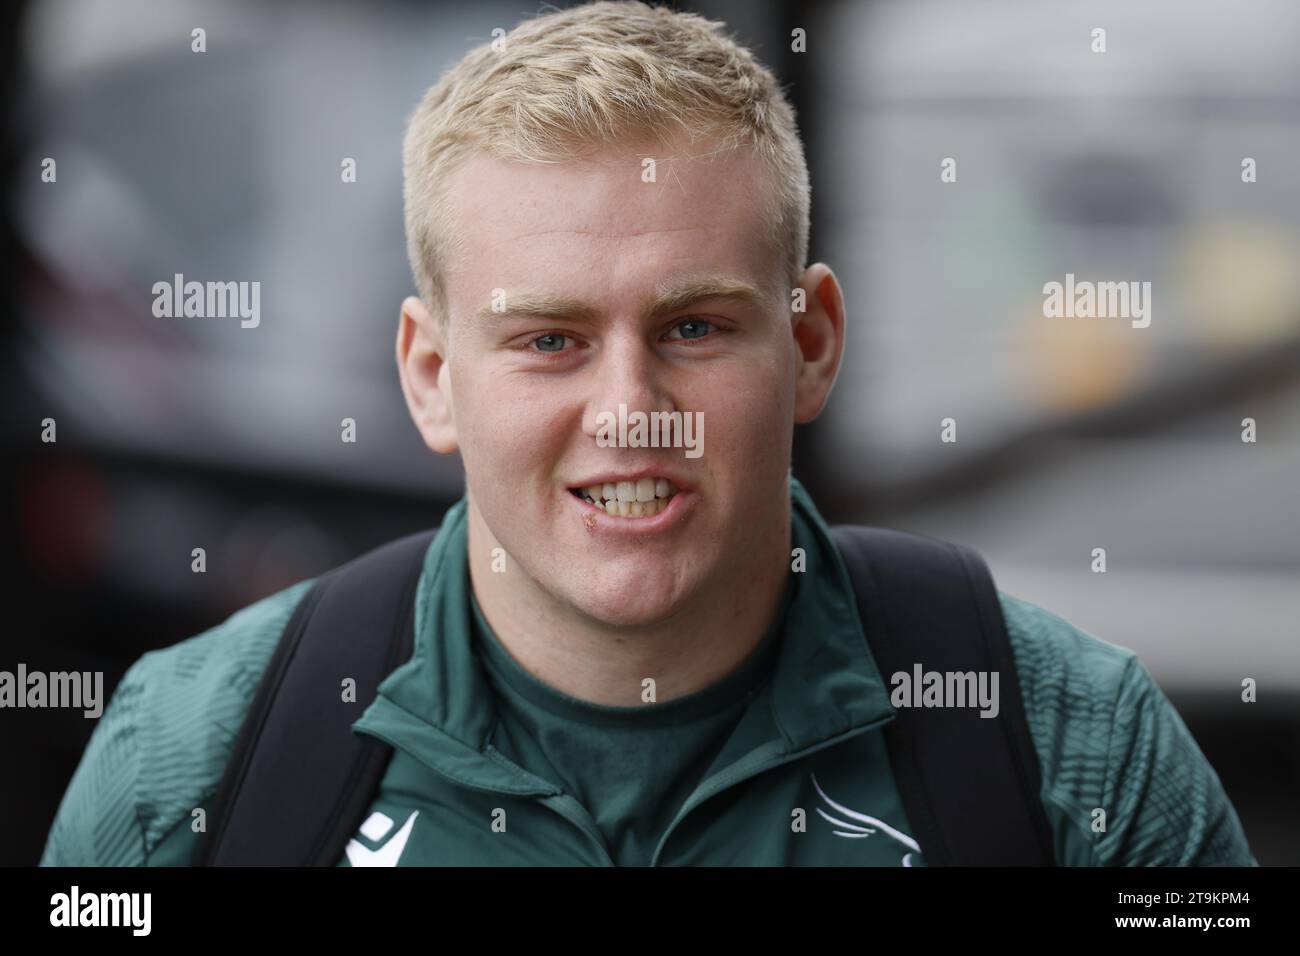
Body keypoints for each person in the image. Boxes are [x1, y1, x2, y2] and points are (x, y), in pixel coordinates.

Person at [40, 0, 1254, 867]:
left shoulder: (1073, 751)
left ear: (813, 341)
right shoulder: (192, 760)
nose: (628, 410)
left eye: (693, 326)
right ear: (430, 375)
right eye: (549, 340)